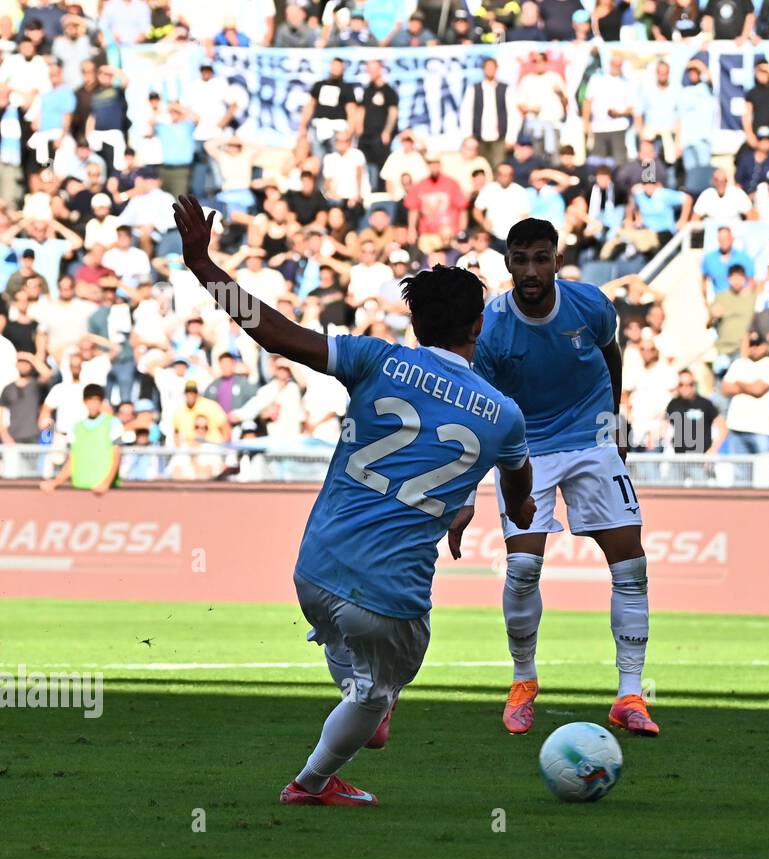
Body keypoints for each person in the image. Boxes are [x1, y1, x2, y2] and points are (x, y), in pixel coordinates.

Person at [173, 195, 535, 807]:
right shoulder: (504, 415)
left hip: (314, 571)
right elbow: (521, 498)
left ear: (417, 324)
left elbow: (277, 334)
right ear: (479, 327)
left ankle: (368, 699)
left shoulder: (375, 358)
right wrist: (479, 505)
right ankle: (313, 782)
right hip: (391, 599)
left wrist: (204, 268)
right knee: (375, 692)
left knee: (355, 656)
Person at [465, 217, 660, 737]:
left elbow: (610, 354)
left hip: (591, 442)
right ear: (507, 263)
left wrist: (614, 420)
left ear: (556, 259)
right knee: (524, 566)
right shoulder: (492, 329)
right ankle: (524, 681)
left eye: (541, 258)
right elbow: (481, 413)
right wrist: (464, 493)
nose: (531, 270)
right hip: (526, 451)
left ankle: (629, 694)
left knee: (631, 565)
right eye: (521, 260)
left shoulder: (592, 304)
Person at [38, 383, 123, 495]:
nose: (93, 405)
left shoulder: (113, 423)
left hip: (104, 490)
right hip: (80, 487)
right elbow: (72, 460)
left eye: (96, 400)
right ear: (84, 402)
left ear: (102, 402)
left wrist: (106, 483)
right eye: (90, 400)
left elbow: (116, 454)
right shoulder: (76, 427)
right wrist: (55, 483)